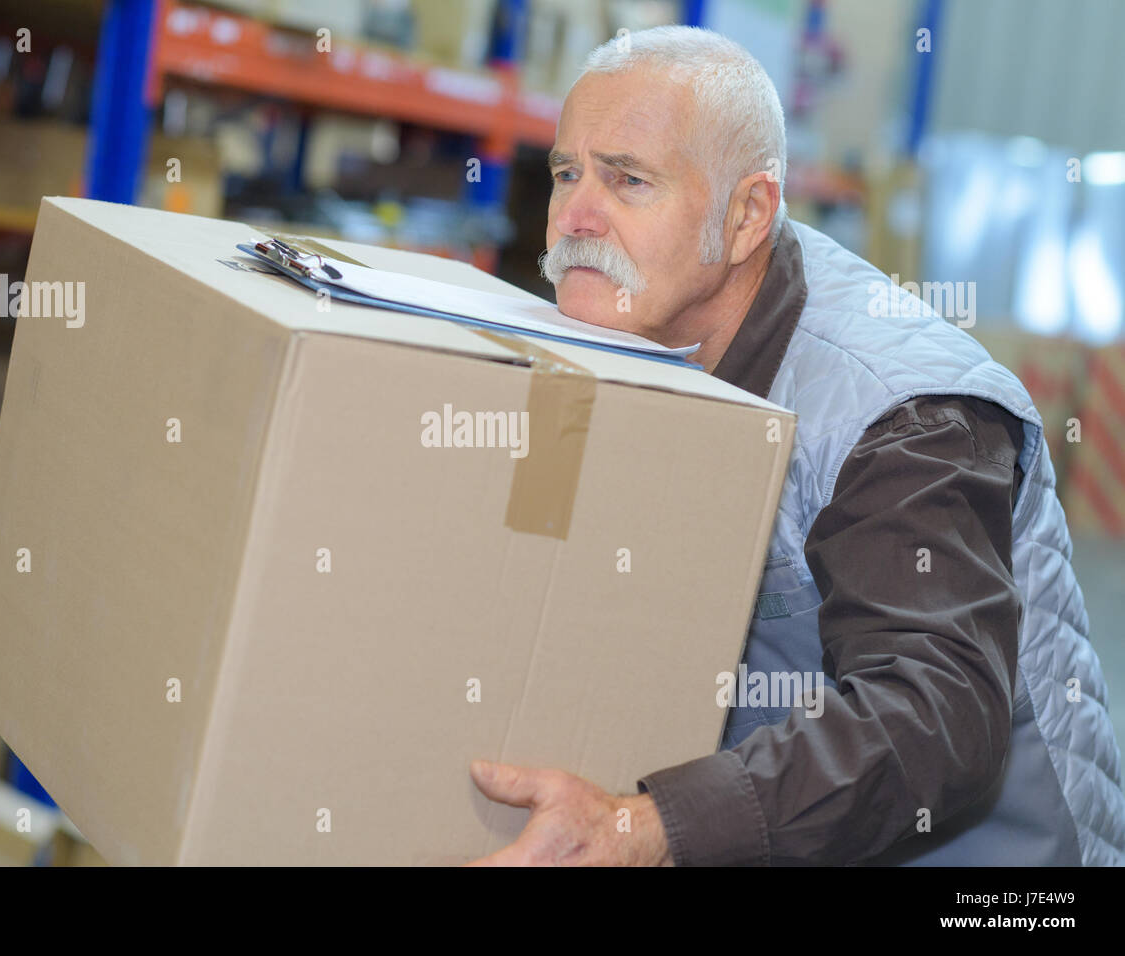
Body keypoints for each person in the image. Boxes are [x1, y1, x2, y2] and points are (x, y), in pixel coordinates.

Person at [467, 25, 1125, 866]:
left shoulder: (903, 413)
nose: (575, 216)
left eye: (629, 180)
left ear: (748, 215)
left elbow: (937, 716)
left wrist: (647, 829)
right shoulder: (641, 326)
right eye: (567, 173)